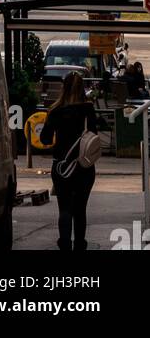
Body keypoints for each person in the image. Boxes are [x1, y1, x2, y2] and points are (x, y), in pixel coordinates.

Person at [39, 71, 98, 251]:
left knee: (64, 208)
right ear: (82, 89)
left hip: (62, 166)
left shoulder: (56, 111)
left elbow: (45, 139)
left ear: (63, 88)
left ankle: (64, 244)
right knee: (80, 209)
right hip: (84, 165)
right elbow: (95, 134)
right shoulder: (88, 110)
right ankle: (80, 244)